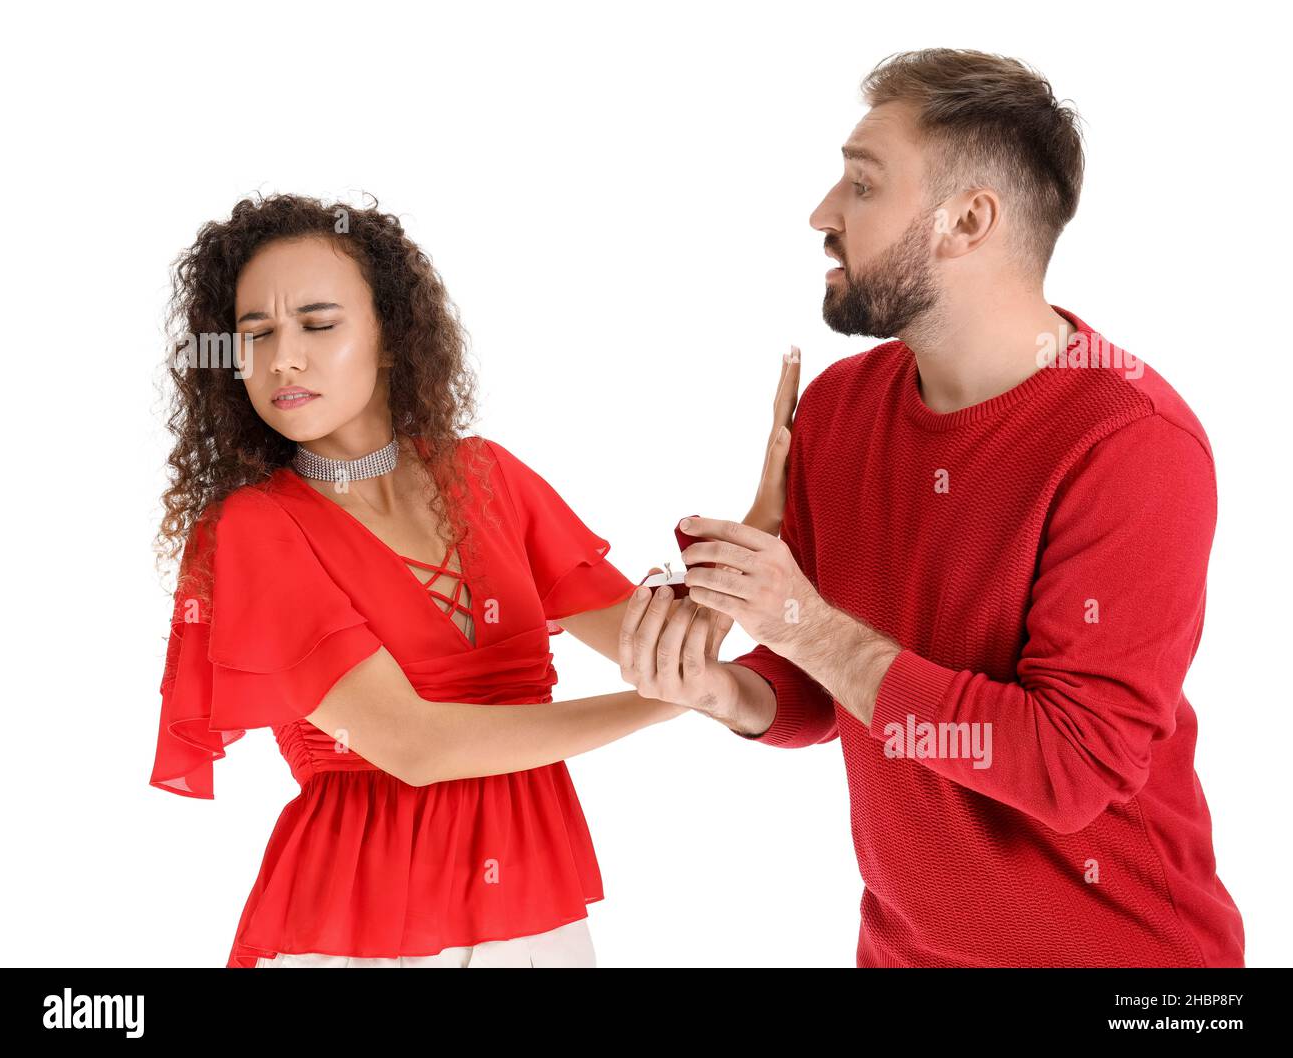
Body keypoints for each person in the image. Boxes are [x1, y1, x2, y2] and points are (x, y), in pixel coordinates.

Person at [618, 48, 1245, 967]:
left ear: (969, 220)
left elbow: (1068, 766)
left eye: (863, 186)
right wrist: (726, 689)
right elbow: (836, 690)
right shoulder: (839, 409)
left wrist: (810, 626)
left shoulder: (1131, 444)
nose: (822, 215)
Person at [148, 192, 789, 967]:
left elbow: (660, 646)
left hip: (532, 905)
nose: (283, 356)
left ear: (391, 337)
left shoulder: (489, 478)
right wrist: (668, 704)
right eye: (256, 334)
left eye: (318, 324)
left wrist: (772, 507)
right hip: (361, 924)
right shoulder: (252, 530)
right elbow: (415, 746)